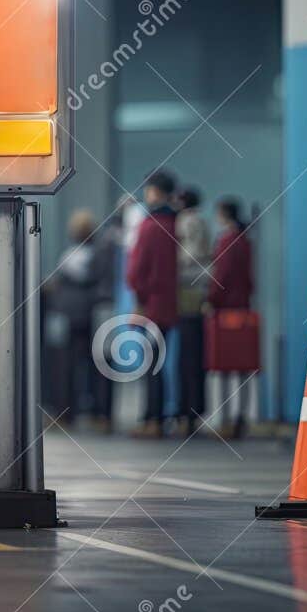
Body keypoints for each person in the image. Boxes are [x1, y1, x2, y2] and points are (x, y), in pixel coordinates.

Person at [127, 171, 179, 438]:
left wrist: (138, 299)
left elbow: (137, 270)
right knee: (160, 361)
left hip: (150, 305)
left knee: (150, 364)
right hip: (170, 304)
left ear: (155, 192)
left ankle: (152, 419)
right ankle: (159, 417)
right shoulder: (175, 224)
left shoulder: (149, 226)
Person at [47, 210, 106, 431]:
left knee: (64, 367)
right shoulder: (97, 255)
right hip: (87, 316)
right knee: (88, 366)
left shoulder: (70, 256)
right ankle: (92, 413)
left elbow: (59, 284)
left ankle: (64, 413)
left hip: (67, 317)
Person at [206, 197, 256, 438]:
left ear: (224, 214)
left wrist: (211, 299)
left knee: (224, 368)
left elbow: (221, 276)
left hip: (225, 309)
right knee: (242, 367)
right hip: (243, 308)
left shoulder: (226, 241)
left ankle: (225, 420)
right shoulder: (245, 241)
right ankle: (241, 416)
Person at [172, 187, 212, 434]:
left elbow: (186, 256)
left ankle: (185, 411)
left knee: (186, 358)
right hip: (202, 290)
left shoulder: (185, 222)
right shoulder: (203, 223)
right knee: (197, 356)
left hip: (187, 291)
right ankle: (195, 410)